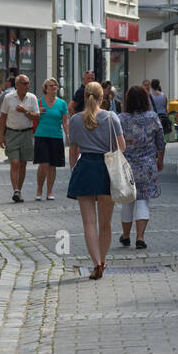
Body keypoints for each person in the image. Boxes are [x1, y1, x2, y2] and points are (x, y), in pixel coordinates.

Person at [66, 82, 126, 280]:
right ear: (103, 98)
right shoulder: (111, 117)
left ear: (84, 97)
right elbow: (122, 147)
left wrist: (73, 170)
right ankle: (103, 259)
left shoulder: (75, 120)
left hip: (85, 169)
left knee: (88, 224)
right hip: (106, 170)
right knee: (106, 224)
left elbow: (73, 151)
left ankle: (96, 263)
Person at [117, 85, 166, 250]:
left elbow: (115, 144)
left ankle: (125, 236)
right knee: (143, 199)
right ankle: (140, 237)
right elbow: (161, 142)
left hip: (126, 166)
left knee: (127, 201)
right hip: (147, 165)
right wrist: (160, 160)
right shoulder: (152, 117)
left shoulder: (121, 119)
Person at [0, 74, 40, 203]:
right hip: (12, 133)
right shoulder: (8, 98)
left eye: (28, 83)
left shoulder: (32, 98)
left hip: (27, 134)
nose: (27, 85)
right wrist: (2, 135)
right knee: (15, 162)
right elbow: (3, 117)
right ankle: (15, 189)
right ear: (17, 85)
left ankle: (19, 191)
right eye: (24, 83)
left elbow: (37, 117)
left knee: (23, 164)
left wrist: (25, 112)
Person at [33, 78, 69, 201]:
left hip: (56, 136)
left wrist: (68, 135)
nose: (53, 87)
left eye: (55, 85)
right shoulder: (39, 102)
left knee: (52, 165)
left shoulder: (62, 103)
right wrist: (37, 113)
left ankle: (49, 191)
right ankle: (39, 189)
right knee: (44, 163)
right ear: (45, 89)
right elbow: (33, 117)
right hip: (42, 135)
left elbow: (65, 121)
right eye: (50, 85)